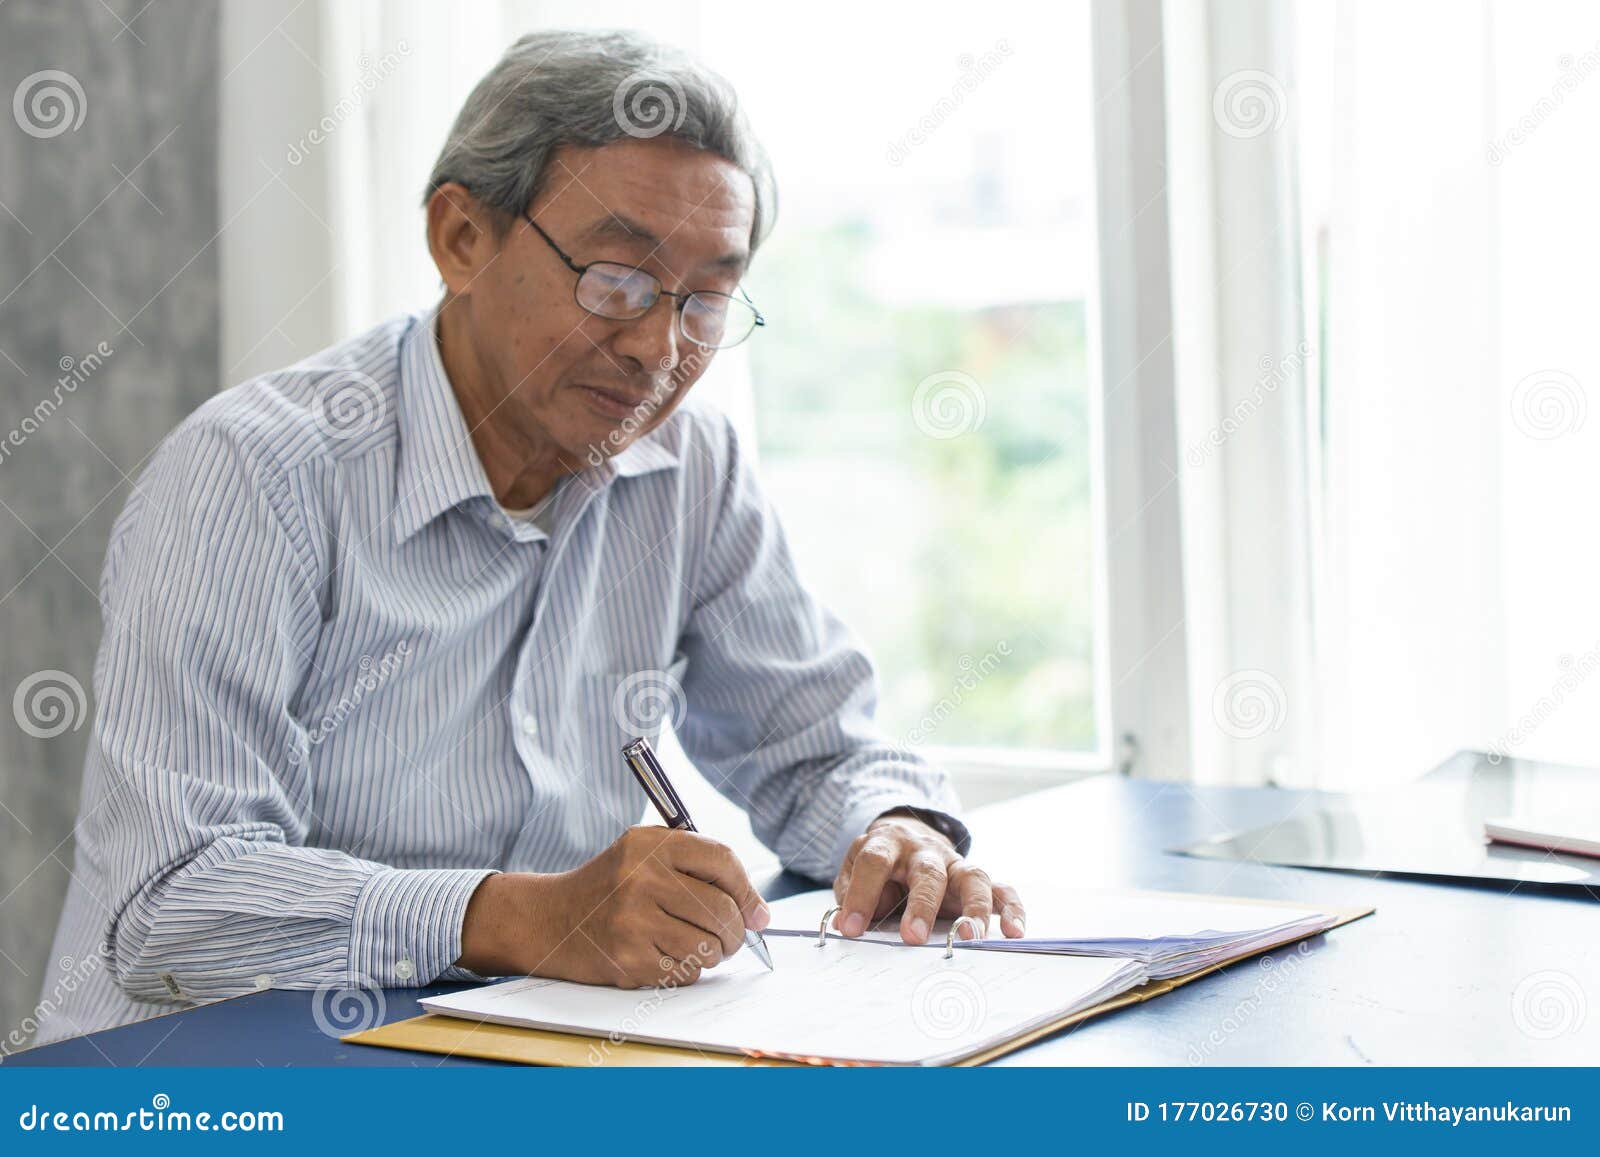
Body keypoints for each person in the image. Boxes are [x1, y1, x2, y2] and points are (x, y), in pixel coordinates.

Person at [37, 28, 1023, 1045]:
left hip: (506, 1058)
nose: (657, 347)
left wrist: (895, 830)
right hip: (202, 1079)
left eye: (707, 302)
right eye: (615, 281)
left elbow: (814, 748)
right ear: (461, 236)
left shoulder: (690, 466)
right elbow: (172, 902)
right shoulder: (252, 474)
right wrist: (520, 916)